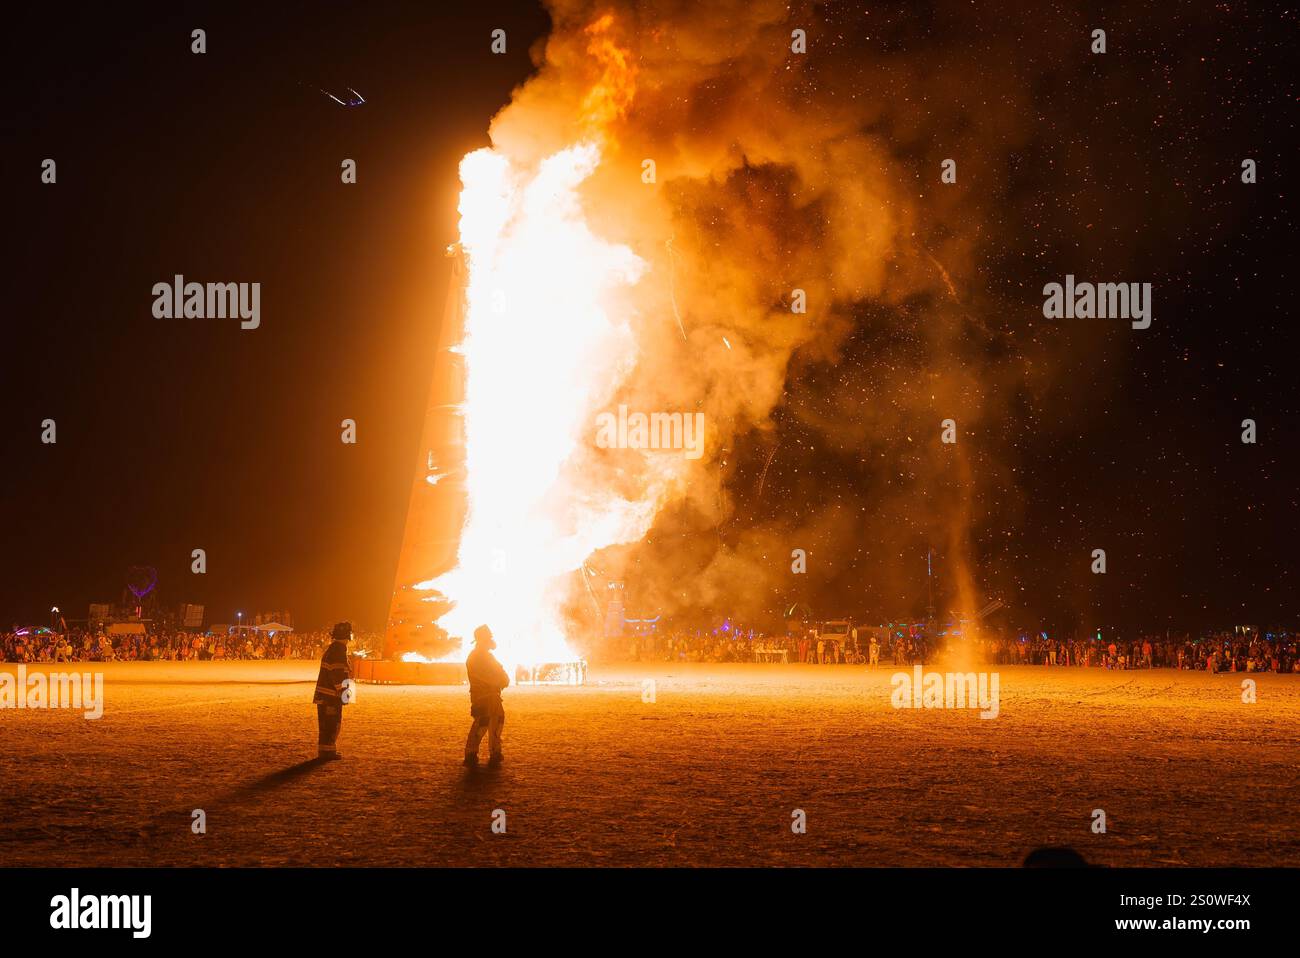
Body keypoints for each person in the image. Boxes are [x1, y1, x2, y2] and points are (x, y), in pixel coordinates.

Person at [464, 625, 509, 768]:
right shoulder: (475, 657)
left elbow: (498, 670)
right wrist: (499, 680)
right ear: (481, 639)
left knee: (497, 721)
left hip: (493, 696)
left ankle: (495, 752)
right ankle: (471, 754)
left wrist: (503, 679)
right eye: (488, 637)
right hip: (482, 696)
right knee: (482, 722)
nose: (491, 639)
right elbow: (483, 675)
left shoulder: (487, 656)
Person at [313, 622, 353, 759]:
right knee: (332, 724)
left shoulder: (333, 649)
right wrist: (344, 693)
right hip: (331, 696)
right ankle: (327, 752)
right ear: (347, 636)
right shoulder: (338, 651)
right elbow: (338, 674)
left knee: (326, 725)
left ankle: (326, 751)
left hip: (326, 696)